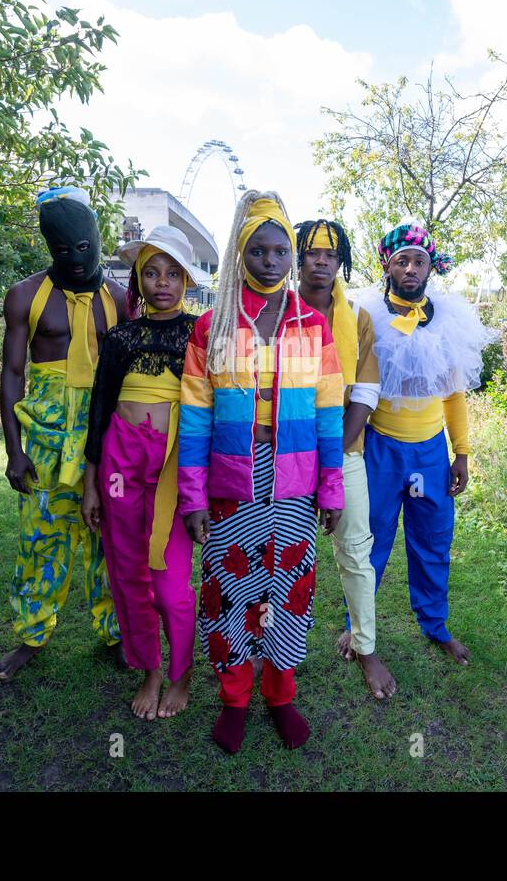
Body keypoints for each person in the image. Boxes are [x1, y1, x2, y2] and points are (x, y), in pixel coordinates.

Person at [178, 190, 345, 753]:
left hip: (295, 480)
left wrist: (331, 485)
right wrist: (192, 496)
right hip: (231, 480)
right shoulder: (213, 326)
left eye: (280, 251)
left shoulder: (312, 326)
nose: (270, 261)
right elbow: (196, 418)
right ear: (239, 255)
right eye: (258, 251)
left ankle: (280, 694)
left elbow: (328, 412)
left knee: (289, 587)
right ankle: (234, 698)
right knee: (230, 589)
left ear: (290, 257)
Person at [0, 186, 128, 680]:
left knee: (108, 540)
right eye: (61, 249)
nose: (74, 258)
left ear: (98, 238)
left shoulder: (119, 300)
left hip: (107, 441)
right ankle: (32, 635)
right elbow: (12, 375)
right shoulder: (26, 296)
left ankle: (116, 632)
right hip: (47, 442)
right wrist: (14, 451)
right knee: (41, 538)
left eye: (83, 246)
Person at [81, 226, 208, 720]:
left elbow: (213, 405)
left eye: (173, 274)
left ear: (186, 282)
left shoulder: (200, 333)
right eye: (152, 273)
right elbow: (99, 409)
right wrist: (91, 482)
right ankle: (151, 670)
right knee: (130, 576)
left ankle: (182, 672)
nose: (162, 283)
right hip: (119, 465)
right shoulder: (121, 338)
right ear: (138, 278)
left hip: (175, 466)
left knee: (172, 586)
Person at [354, 223, 488, 666]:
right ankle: (358, 629)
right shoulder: (368, 316)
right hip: (381, 449)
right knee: (370, 540)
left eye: (419, 261)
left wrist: (461, 452)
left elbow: (453, 394)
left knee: (432, 540)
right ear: (387, 266)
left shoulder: (448, 321)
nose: (410, 269)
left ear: (430, 267)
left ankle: (435, 626)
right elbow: (357, 390)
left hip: (430, 453)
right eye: (402, 261)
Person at [294, 218, 397, 699]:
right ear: (299, 257)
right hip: (281, 451)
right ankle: (267, 651)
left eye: (330, 255)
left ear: (341, 262)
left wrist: (334, 455)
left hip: (345, 449)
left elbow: (366, 389)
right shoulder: (278, 309)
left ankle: (366, 646)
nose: (320, 261)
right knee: (275, 553)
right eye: (312, 252)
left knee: (355, 549)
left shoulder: (355, 317)